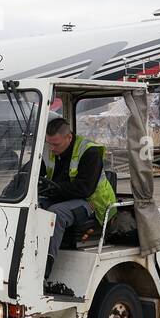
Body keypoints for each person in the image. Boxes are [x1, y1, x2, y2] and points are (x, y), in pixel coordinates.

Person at [39, 117, 116, 279]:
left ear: (69, 137)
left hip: (93, 204)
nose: (52, 148)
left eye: (56, 144)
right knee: (34, 205)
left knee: (56, 213)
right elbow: (35, 172)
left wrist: (54, 190)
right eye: (49, 144)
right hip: (64, 196)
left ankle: (45, 266)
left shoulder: (89, 152)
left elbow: (84, 189)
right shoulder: (50, 151)